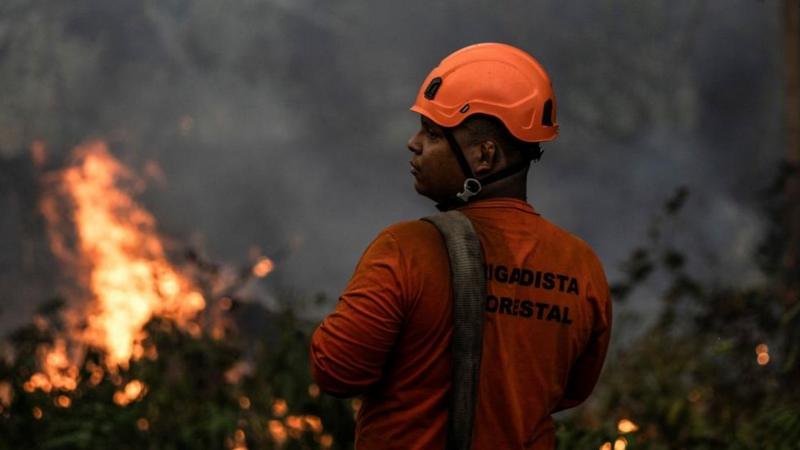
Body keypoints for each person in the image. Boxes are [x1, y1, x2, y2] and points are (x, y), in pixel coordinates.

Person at [310, 42, 612, 450]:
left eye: (433, 133)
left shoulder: (407, 249)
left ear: (484, 156)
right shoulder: (582, 266)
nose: (413, 144)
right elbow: (570, 391)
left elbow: (336, 371)